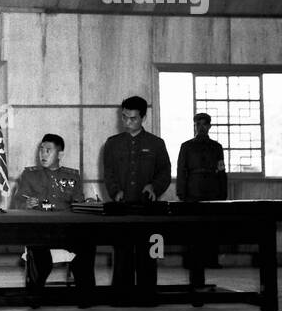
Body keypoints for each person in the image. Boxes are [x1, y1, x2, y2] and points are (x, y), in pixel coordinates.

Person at [102, 96, 171, 296]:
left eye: (132, 118)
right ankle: (121, 294)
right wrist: (116, 192)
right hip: (122, 208)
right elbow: (109, 173)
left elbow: (165, 172)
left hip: (148, 209)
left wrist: (154, 187)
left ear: (143, 117)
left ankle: (147, 294)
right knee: (122, 252)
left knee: (149, 252)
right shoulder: (112, 144)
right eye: (124, 117)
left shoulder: (156, 144)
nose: (127, 122)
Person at [15, 133, 96, 295]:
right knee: (39, 255)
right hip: (40, 230)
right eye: (41, 150)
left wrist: (89, 202)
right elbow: (17, 203)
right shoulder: (29, 175)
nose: (43, 154)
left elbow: (78, 205)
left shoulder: (72, 176)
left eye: (48, 150)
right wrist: (27, 204)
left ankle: (86, 296)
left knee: (87, 245)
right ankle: (34, 297)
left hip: (66, 230)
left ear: (60, 154)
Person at [176, 112, 228, 274]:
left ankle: (211, 260)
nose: (201, 127)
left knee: (212, 227)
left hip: (212, 190)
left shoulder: (216, 147)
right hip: (193, 189)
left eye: (205, 124)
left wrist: (223, 191)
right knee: (192, 227)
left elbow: (221, 169)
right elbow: (181, 170)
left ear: (209, 126)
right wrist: (181, 191)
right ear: (195, 126)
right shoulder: (187, 146)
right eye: (198, 124)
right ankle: (191, 260)